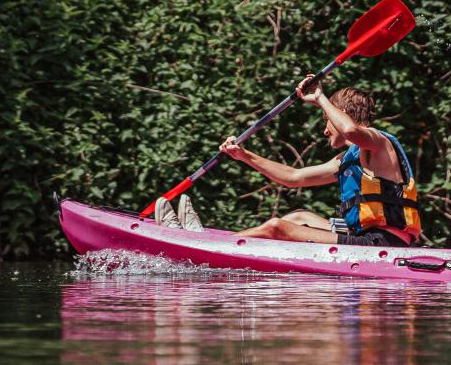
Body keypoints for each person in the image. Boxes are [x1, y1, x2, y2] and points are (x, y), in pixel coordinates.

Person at [154, 80, 422, 246]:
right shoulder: (346, 159)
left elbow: (351, 131)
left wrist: (320, 98)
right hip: (366, 237)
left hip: (383, 243)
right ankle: (203, 239)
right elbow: (293, 177)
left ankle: (204, 245)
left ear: (339, 115)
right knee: (298, 217)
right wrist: (243, 155)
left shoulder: (378, 142)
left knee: (277, 227)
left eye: (327, 121)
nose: (325, 130)